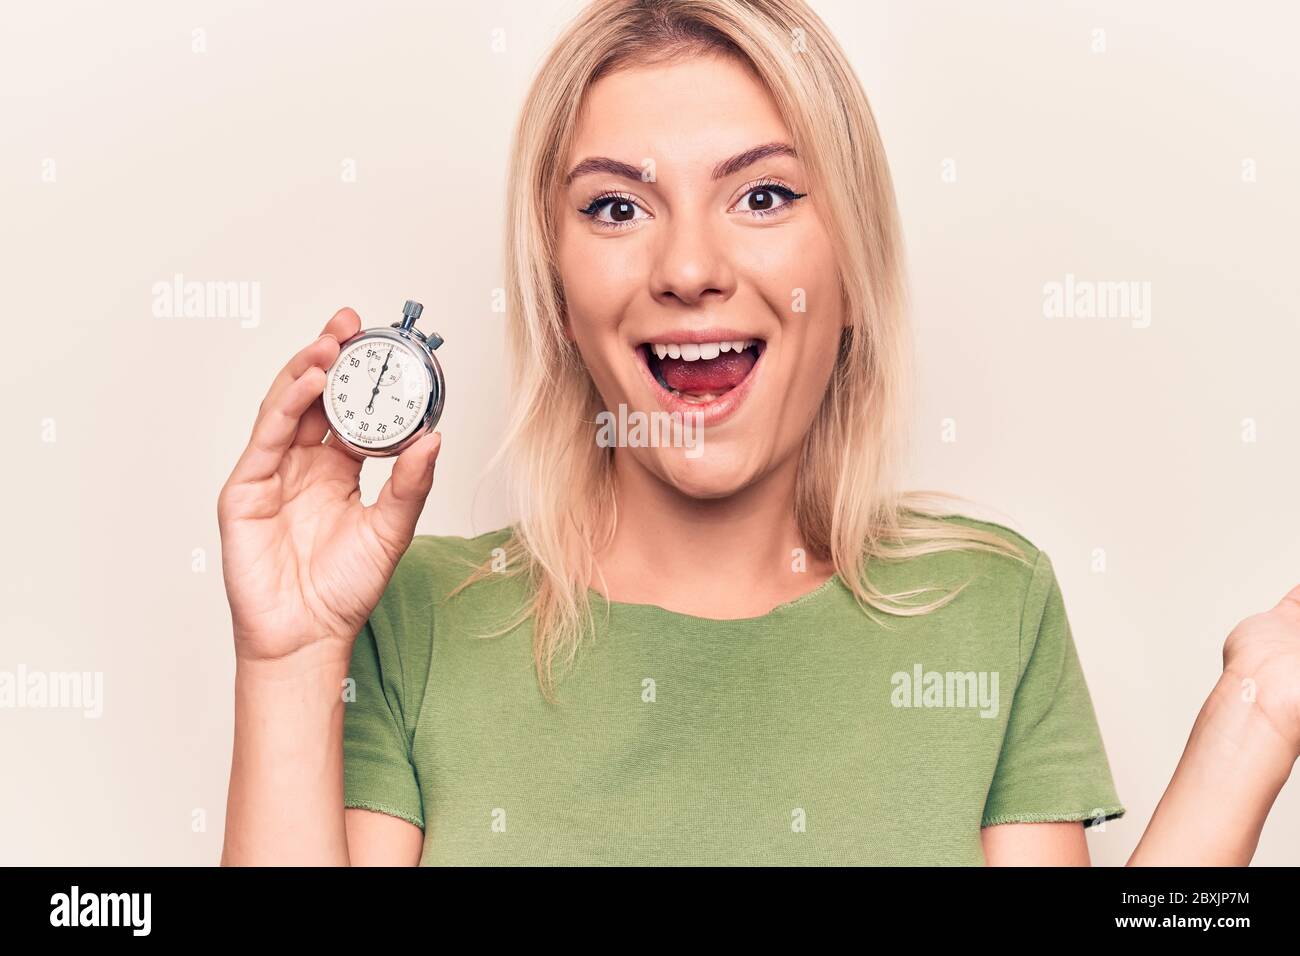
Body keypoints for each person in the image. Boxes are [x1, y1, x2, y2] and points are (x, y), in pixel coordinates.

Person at [217, 0, 1299, 865]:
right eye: (615, 207)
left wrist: (1252, 721)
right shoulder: (416, 617)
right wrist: (292, 655)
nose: (688, 267)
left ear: (851, 275)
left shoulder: (988, 607)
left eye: (765, 195)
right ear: (555, 290)